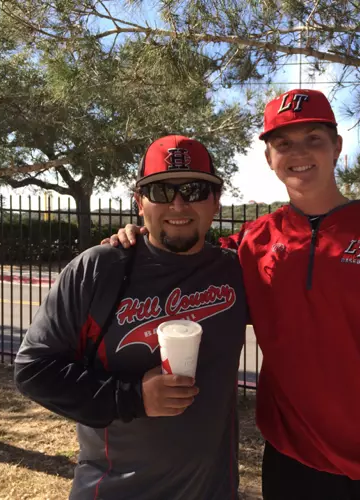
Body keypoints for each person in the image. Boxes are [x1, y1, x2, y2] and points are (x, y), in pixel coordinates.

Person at [105, 90, 360, 500]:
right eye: (283, 143)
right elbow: (186, 257)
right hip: (289, 465)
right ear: (270, 157)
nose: (298, 153)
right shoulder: (252, 243)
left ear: (337, 147)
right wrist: (141, 237)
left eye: (313, 139)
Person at [15, 135, 248, 500]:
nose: (178, 203)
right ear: (139, 203)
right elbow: (34, 370)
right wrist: (134, 398)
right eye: (159, 191)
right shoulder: (99, 269)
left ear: (216, 201)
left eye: (194, 188)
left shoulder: (238, 273)